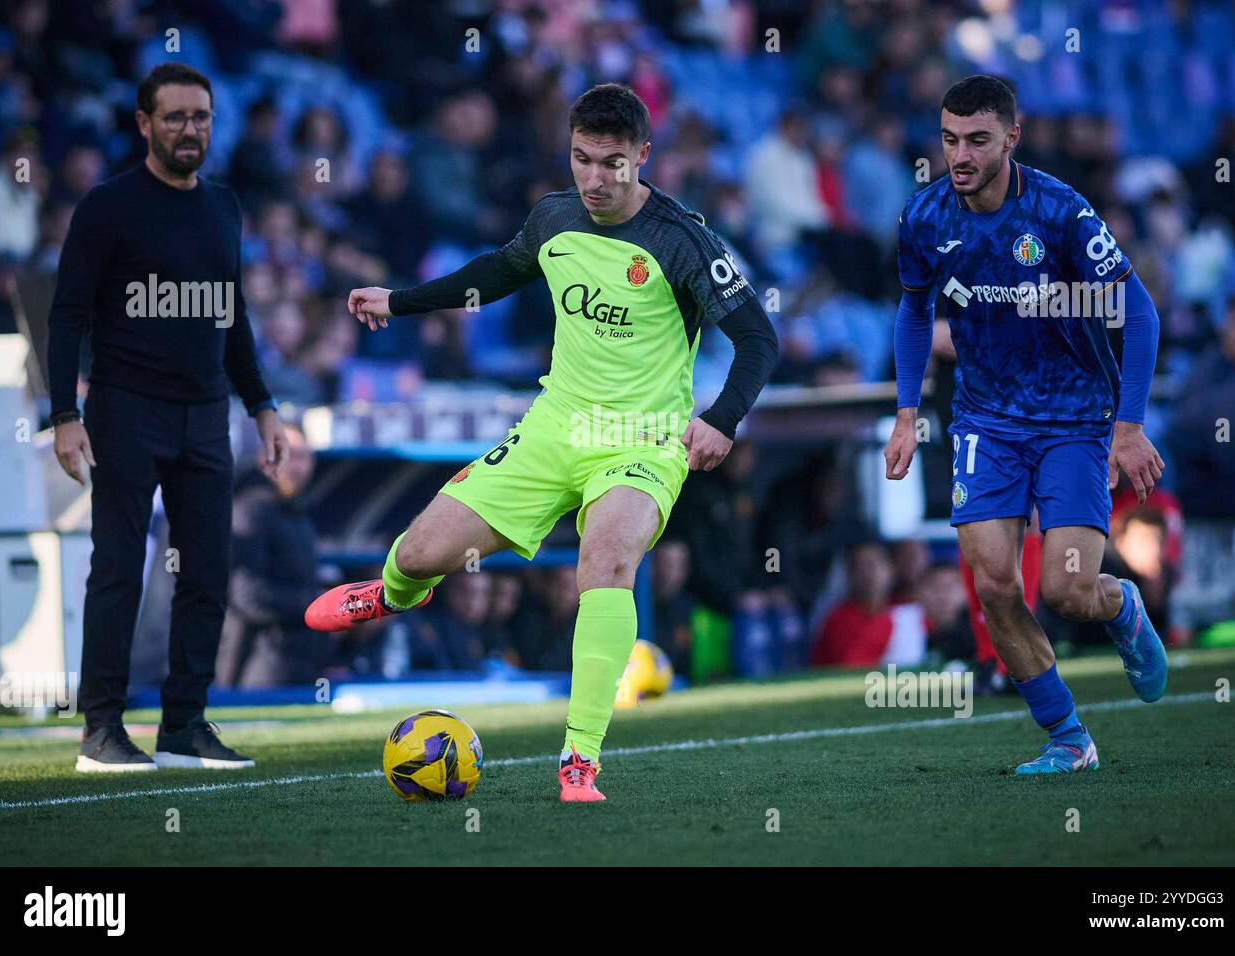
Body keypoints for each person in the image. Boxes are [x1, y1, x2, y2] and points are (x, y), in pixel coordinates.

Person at [304, 83, 778, 801]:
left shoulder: (683, 241)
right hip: (553, 428)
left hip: (642, 440)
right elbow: (495, 273)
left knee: (607, 562)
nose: (594, 178)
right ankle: (395, 593)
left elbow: (757, 338)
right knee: (419, 552)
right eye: (583, 159)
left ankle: (579, 758)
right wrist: (399, 301)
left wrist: (722, 418)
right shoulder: (554, 216)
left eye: (612, 163)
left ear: (643, 158)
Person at [884, 76, 1167, 775]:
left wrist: (1128, 427)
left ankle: (1122, 606)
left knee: (1068, 591)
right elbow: (914, 310)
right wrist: (905, 412)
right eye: (950, 139)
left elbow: (1139, 314)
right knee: (995, 588)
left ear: (1012, 136)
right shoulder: (924, 218)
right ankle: (1069, 738)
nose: (961, 154)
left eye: (977, 140)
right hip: (984, 422)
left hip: (1074, 419)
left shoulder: (1060, 213)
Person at [48, 63, 288, 772]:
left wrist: (263, 405)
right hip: (125, 411)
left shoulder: (224, 205)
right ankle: (100, 731)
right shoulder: (108, 206)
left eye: (202, 117)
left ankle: (184, 726)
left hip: (206, 415)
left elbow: (232, 315)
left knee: (207, 573)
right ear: (144, 125)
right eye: (177, 117)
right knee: (118, 569)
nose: (192, 130)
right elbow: (66, 316)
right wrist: (65, 413)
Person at [215, 425, 319, 687]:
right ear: (264, 459)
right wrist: (317, 605)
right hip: (257, 665)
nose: (298, 467)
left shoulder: (296, 513)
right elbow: (247, 596)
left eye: (305, 457)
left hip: (299, 661)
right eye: (289, 455)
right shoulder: (249, 512)